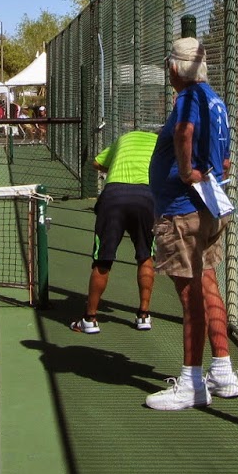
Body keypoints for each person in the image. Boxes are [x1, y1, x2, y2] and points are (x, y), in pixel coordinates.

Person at [145, 36, 237, 411]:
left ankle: (192, 383)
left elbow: (184, 132)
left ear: (174, 67)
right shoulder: (215, 100)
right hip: (207, 207)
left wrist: (185, 173)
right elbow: (225, 161)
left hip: (183, 211)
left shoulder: (186, 98)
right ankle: (223, 371)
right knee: (207, 282)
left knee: (190, 295)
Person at [72, 128, 158, 334]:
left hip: (114, 195)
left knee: (103, 259)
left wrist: (115, 168)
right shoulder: (161, 143)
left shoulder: (124, 138)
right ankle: (143, 315)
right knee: (146, 256)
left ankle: (90, 318)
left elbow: (96, 163)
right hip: (146, 197)